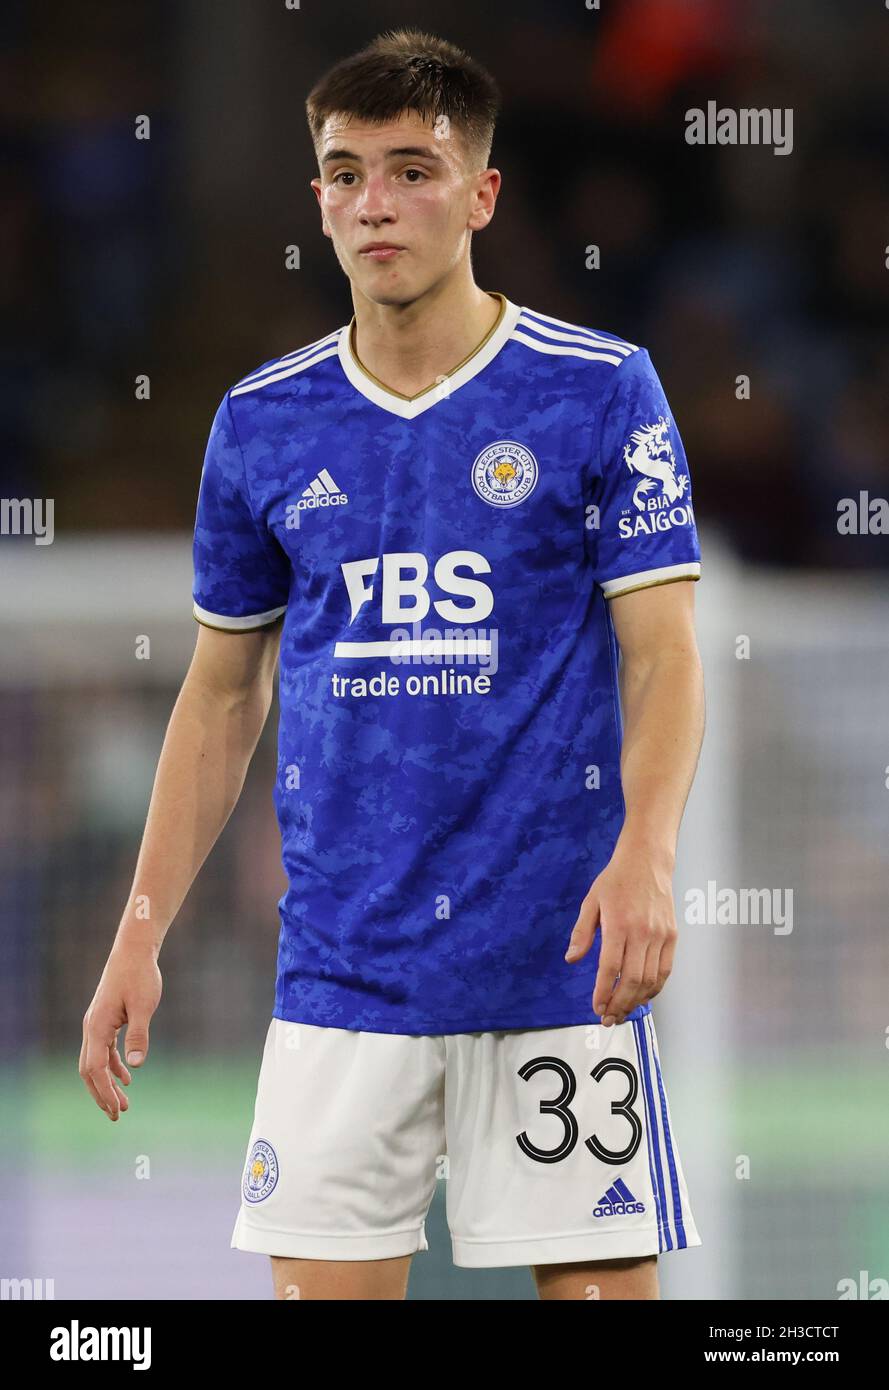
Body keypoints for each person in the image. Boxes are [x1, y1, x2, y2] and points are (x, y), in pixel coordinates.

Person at [80, 27, 705, 1301]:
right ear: (316, 195)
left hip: (554, 969)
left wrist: (646, 853)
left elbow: (662, 655)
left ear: (480, 194)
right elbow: (221, 695)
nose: (376, 202)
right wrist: (137, 933)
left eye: (412, 170)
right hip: (341, 976)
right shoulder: (262, 423)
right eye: (346, 170)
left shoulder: (598, 392)